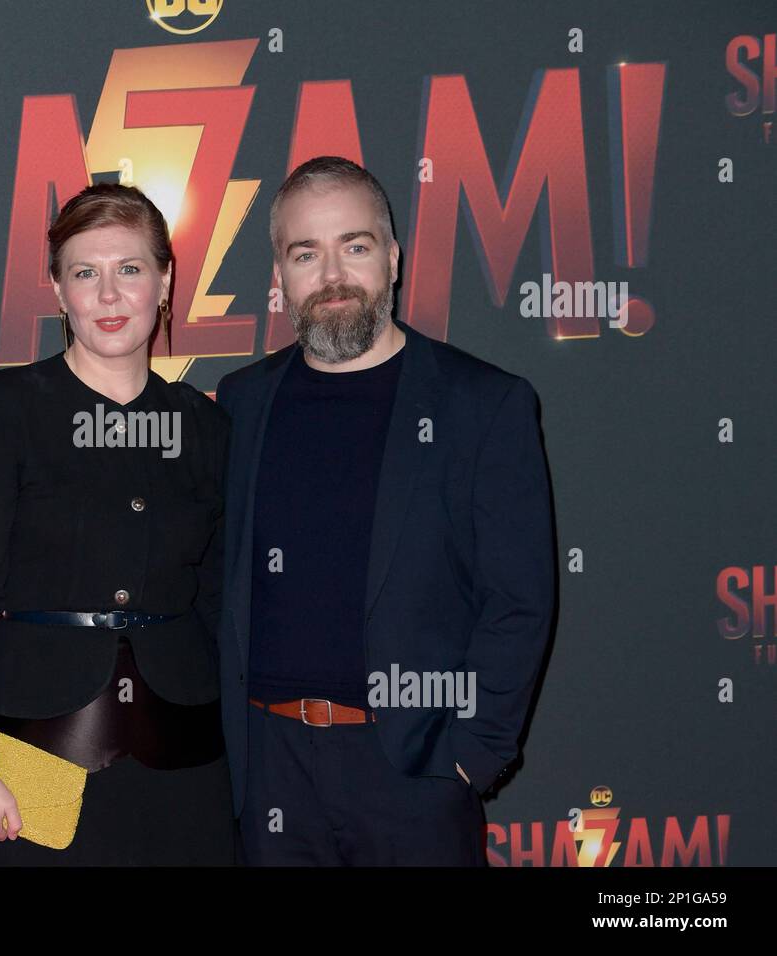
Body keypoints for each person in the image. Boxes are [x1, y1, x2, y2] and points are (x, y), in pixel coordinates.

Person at [216, 156, 556, 865]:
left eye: (356, 245)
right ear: (279, 276)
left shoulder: (482, 405)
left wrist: (473, 753)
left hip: (413, 770)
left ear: (393, 259)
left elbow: (520, 598)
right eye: (305, 252)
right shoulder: (241, 401)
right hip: (269, 766)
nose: (332, 273)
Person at [0, 182, 236, 865]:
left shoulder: (206, 426)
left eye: (129, 269)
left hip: (185, 758)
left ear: (164, 282)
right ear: (57, 291)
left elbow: (219, 603)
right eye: (84, 273)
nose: (108, 295)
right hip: (35, 755)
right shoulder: (4, 410)